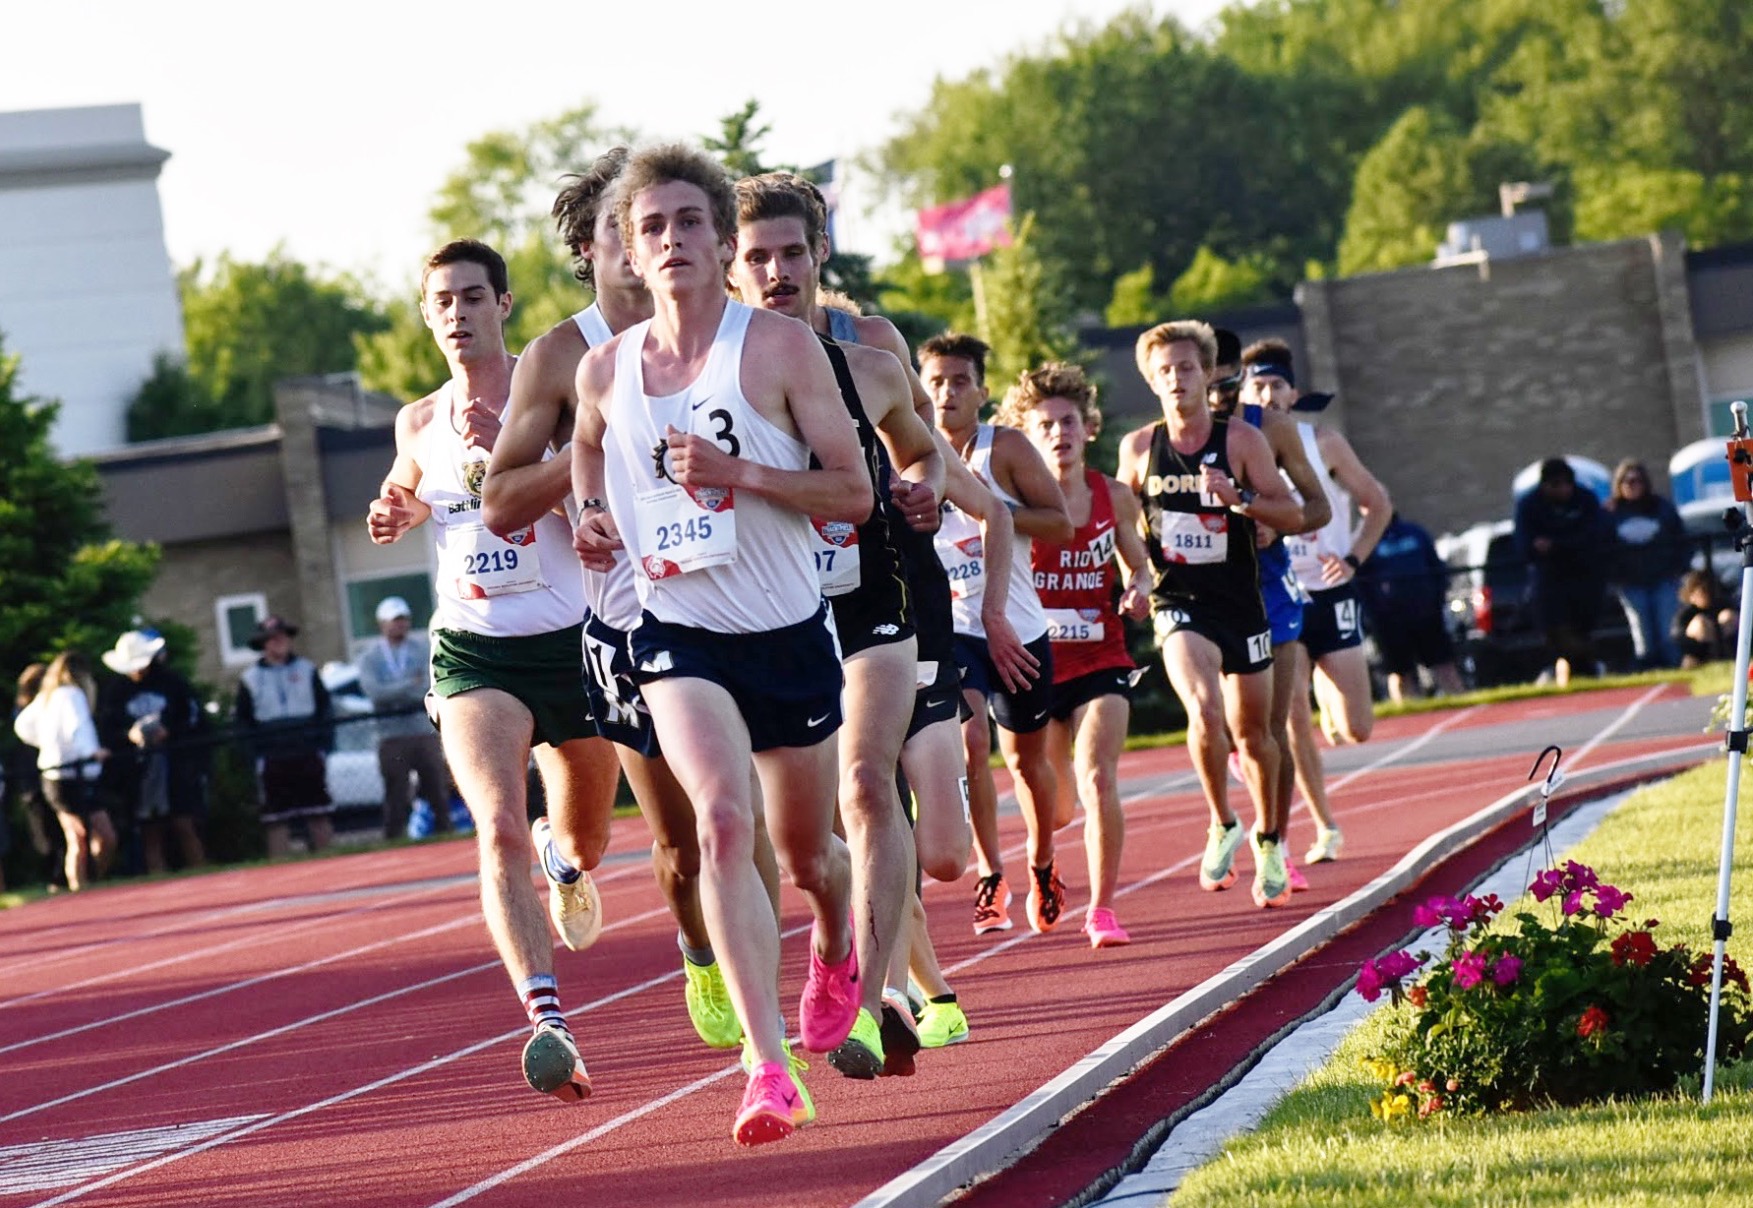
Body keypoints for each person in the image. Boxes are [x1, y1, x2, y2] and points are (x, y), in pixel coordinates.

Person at [569, 143, 869, 1145]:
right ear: (624, 248)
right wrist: (588, 513)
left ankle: (835, 945)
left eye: (688, 223)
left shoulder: (777, 351)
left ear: (719, 240)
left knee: (810, 855)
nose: (671, 242)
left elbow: (854, 491)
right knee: (722, 825)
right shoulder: (604, 369)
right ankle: (768, 1065)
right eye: (649, 227)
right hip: (676, 631)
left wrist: (744, 475)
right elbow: (581, 452)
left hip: (786, 632)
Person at [482, 147, 748, 1056]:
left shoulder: (728, 328)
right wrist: (593, 456)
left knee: (789, 819)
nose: (644, 247)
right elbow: (501, 502)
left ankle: (843, 974)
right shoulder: (564, 356)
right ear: (596, 248)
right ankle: (702, 952)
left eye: (659, 225)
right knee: (681, 839)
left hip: (746, 598)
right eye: (620, 229)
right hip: (630, 624)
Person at [368, 238, 608, 1106]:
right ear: (428, 315)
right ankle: (547, 1021)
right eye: (443, 301)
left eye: (474, 297)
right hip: (472, 647)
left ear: (503, 305)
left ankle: (564, 858)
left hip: (573, 639)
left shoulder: (549, 391)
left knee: (581, 839)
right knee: (498, 822)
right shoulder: (418, 420)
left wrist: (523, 460)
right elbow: (404, 487)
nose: (458, 314)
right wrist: (392, 510)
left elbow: (592, 477)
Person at [731, 170, 945, 1080]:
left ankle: (873, 1002)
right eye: (758, 258)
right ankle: (824, 953)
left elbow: (922, 445)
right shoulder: (709, 373)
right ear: (731, 269)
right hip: (762, 613)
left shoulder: (869, 361)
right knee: (781, 834)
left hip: (868, 602)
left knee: (865, 785)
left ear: (819, 253)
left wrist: (923, 486)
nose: (777, 271)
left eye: (791, 252)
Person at [1117, 321, 1303, 907]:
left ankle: (1269, 837)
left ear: (1206, 375)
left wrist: (1240, 501)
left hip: (1241, 604)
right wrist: (1134, 575)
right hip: (1179, 602)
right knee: (1202, 708)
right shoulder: (1140, 448)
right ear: (1152, 380)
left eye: (1187, 368)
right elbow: (1122, 522)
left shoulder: (1242, 442)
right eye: (1165, 370)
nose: (1177, 379)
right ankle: (1222, 820)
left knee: (1254, 736)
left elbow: (1292, 513)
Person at [921, 332, 1074, 936]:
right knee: (969, 741)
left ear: (982, 391)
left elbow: (1060, 522)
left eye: (959, 381)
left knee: (1027, 761)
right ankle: (990, 873)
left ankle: (1042, 863)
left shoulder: (1003, 448)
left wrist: (991, 509)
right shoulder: (911, 447)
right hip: (955, 622)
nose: (946, 392)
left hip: (1016, 623)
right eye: (935, 381)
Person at [999, 361, 1151, 945]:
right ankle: (1043, 863)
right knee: (1056, 807)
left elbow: (1139, 566)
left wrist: (1138, 589)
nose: (1059, 433)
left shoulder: (1113, 497)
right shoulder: (1013, 501)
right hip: (1036, 666)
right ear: (1027, 435)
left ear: (1088, 428)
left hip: (1102, 661)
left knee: (1096, 776)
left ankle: (1103, 911)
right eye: (1046, 425)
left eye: (1068, 422)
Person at [1216, 342, 1333, 885]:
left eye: (1222, 383)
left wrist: (1271, 520)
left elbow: (1319, 508)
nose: (1211, 394)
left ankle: (1276, 843)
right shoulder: (1159, 438)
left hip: (1268, 587)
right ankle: (1224, 817)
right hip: (1202, 592)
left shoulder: (1272, 428)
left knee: (1276, 724)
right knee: (1216, 721)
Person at [97, 629, 207, 873]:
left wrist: (170, 732)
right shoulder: (116, 691)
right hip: (139, 768)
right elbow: (107, 730)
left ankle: (201, 873)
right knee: (150, 829)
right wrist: (129, 736)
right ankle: (158, 878)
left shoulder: (171, 682)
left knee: (184, 823)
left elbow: (193, 718)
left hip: (175, 763)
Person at [234, 616, 333, 858]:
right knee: (275, 819)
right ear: (263, 644)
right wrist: (254, 756)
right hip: (272, 754)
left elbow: (325, 709)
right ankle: (280, 865)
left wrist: (324, 745)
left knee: (318, 812)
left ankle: (329, 860)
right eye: (271, 638)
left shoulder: (307, 669)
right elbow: (242, 720)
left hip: (307, 749)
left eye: (282, 636)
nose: (278, 642)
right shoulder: (250, 678)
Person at [15, 651, 115, 890]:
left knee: (93, 836)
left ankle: (86, 882)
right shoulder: (70, 695)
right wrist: (89, 752)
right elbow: (76, 727)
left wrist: (51, 744)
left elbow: (24, 726)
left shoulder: (49, 697)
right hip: (68, 775)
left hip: (60, 775)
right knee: (80, 837)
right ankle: (80, 887)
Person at [355, 596, 453, 840]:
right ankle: (394, 836)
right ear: (382, 624)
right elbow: (375, 692)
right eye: (394, 620)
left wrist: (395, 690)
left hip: (422, 728)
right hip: (391, 734)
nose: (400, 625)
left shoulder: (423, 648)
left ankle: (445, 831)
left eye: (404, 619)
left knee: (436, 785)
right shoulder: (369, 657)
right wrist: (410, 683)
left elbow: (429, 685)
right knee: (395, 789)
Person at [1514, 457, 1609, 685]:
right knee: (1555, 631)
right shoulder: (1530, 505)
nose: (1564, 490)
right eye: (1556, 485)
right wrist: (1549, 547)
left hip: (1584, 576)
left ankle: (1583, 672)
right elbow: (1525, 545)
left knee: (1582, 627)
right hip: (1549, 580)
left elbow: (1593, 537)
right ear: (1545, 485)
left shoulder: (1585, 499)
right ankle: (1586, 666)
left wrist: (1556, 545)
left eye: (1567, 484)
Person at [1354, 512, 1466, 703]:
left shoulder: (1414, 533)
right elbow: (1359, 583)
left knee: (1444, 665)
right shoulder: (1362, 541)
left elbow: (1436, 567)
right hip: (1389, 621)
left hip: (1426, 614)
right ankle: (1407, 711)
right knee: (1399, 672)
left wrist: (1436, 598)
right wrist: (1375, 613)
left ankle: (1460, 703)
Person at [1604, 458, 1688, 669]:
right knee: (1643, 633)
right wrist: (1616, 577)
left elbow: (1681, 539)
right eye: (1627, 481)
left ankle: (1673, 667)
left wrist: (1679, 569)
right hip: (1631, 582)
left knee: (1667, 629)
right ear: (1619, 484)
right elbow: (1602, 547)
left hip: (1664, 578)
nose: (1632, 485)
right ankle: (1648, 668)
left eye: (1637, 480)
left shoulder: (1661, 507)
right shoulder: (1610, 513)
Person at [1674, 569, 1738, 669]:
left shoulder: (1723, 605)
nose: (1705, 594)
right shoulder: (1687, 613)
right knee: (1700, 623)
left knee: (1727, 616)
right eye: (1701, 591)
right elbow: (1678, 634)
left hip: (1727, 649)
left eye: (1707, 589)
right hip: (1699, 653)